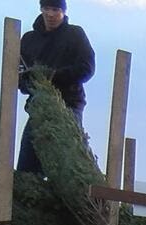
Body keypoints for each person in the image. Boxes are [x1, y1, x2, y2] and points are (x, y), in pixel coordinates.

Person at [18, 0, 96, 174]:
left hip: (68, 106)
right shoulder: (29, 40)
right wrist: (30, 82)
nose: (51, 14)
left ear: (63, 11)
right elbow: (19, 74)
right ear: (41, 9)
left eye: (56, 9)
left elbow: (87, 68)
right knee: (26, 168)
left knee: (68, 167)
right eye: (47, 9)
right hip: (38, 108)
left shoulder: (75, 34)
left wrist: (54, 76)